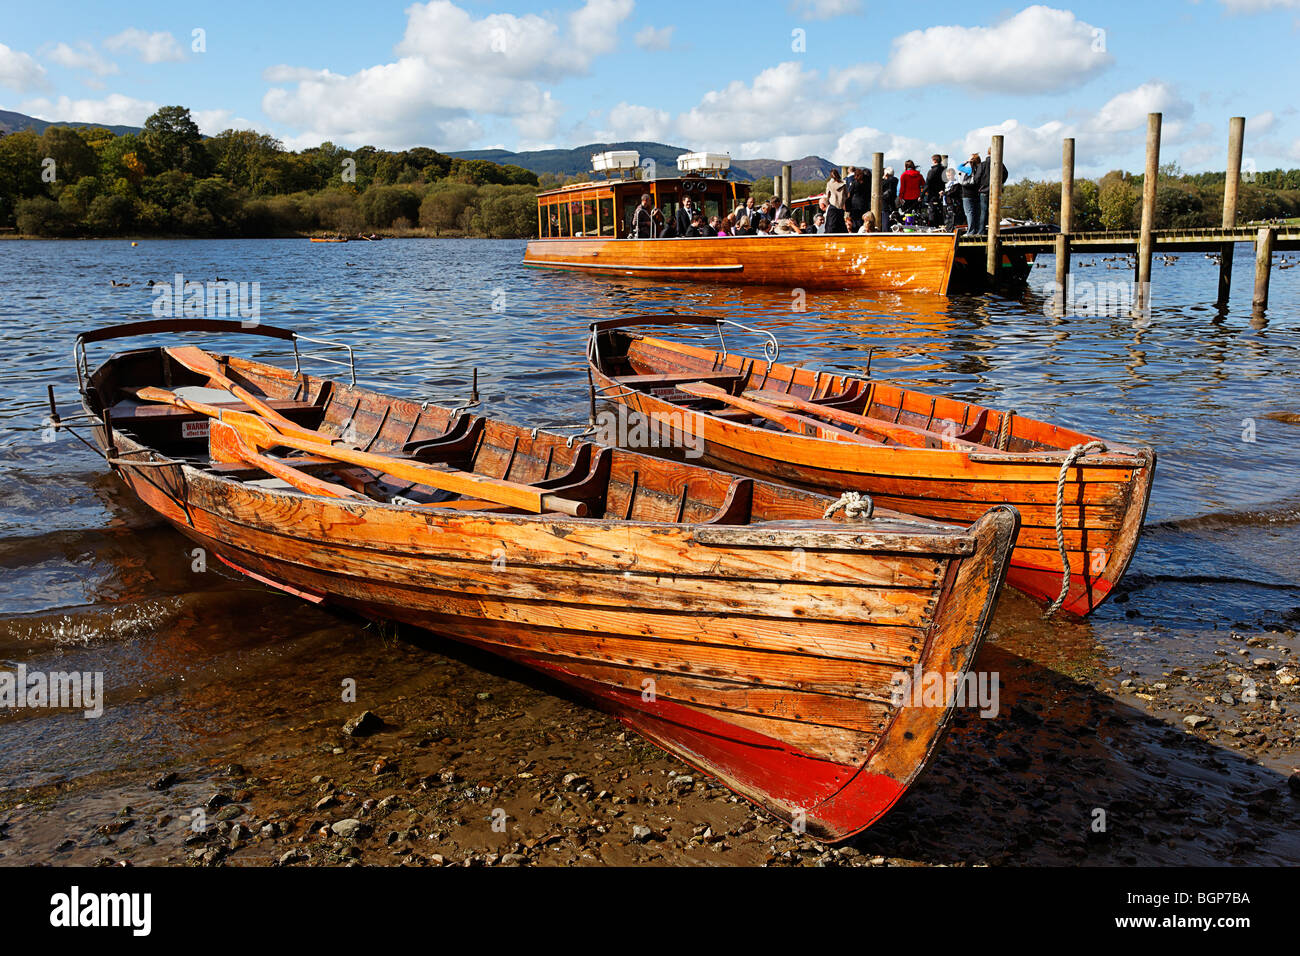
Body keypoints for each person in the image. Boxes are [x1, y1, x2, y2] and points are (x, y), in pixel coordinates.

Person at [977, 147, 1008, 237]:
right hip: (996, 190)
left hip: (983, 191)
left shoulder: (982, 165)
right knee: (995, 211)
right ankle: (994, 230)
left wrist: (980, 186)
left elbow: (977, 177)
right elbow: (1005, 174)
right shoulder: (1000, 164)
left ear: (988, 152)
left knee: (983, 211)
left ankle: (981, 231)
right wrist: (999, 183)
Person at [957, 154, 981, 235]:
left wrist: (966, 162)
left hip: (967, 194)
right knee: (976, 213)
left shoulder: (969, 169)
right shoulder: (979, 169)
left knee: (969, 213)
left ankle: (970, 231)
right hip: (976, 193)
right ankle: (977, 230)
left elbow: (959, 167)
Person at [846, 166, 871, 230]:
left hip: (855, 205)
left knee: (855, 221)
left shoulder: (854, 183)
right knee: (862, 221)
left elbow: (849, 193)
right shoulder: (867, 183)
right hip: (864, 204)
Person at [824, 168, 847, 233]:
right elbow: (846, 194)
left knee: (830, 227)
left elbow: (827, 195)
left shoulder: (829, 184)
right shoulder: (844, 183)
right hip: (840, 207)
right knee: (841, 227)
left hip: (833, 206)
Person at [925, 154, 945, 225]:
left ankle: (933, 226)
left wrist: (921, 196)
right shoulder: (944, 170)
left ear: (934, 160)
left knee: (932, 213)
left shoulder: (932, 171)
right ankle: (940, 225)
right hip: (941, 194)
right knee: (939, 212)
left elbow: (927, 184)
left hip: (932, 195)